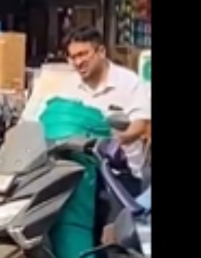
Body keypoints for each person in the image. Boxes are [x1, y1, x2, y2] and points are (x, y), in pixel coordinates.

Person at [23, 26, 151, 183]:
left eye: (83, 54)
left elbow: (141, 123)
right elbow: (47, 118)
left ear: (101, 52)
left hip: (120, 175)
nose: (78, 62)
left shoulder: (128, 82)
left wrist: (115, 142)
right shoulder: (67, 87)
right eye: (72, 57)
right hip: (79, 171)